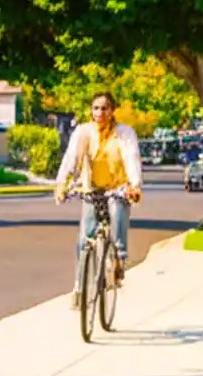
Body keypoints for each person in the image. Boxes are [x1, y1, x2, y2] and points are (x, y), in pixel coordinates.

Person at [54, 91, 143, 308]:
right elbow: (72, 157)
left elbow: (131, 158)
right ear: (90, 111)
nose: (100, 112)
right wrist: (62, 183)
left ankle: (119, 258)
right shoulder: (83, 132)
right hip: (92, 188)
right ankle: (79, 287)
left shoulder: (124, 133)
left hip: (118, 188)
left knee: (118, 212)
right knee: (84, 239)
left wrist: (134, 185)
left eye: (104, 108)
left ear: (112, 111)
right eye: (96, 108)